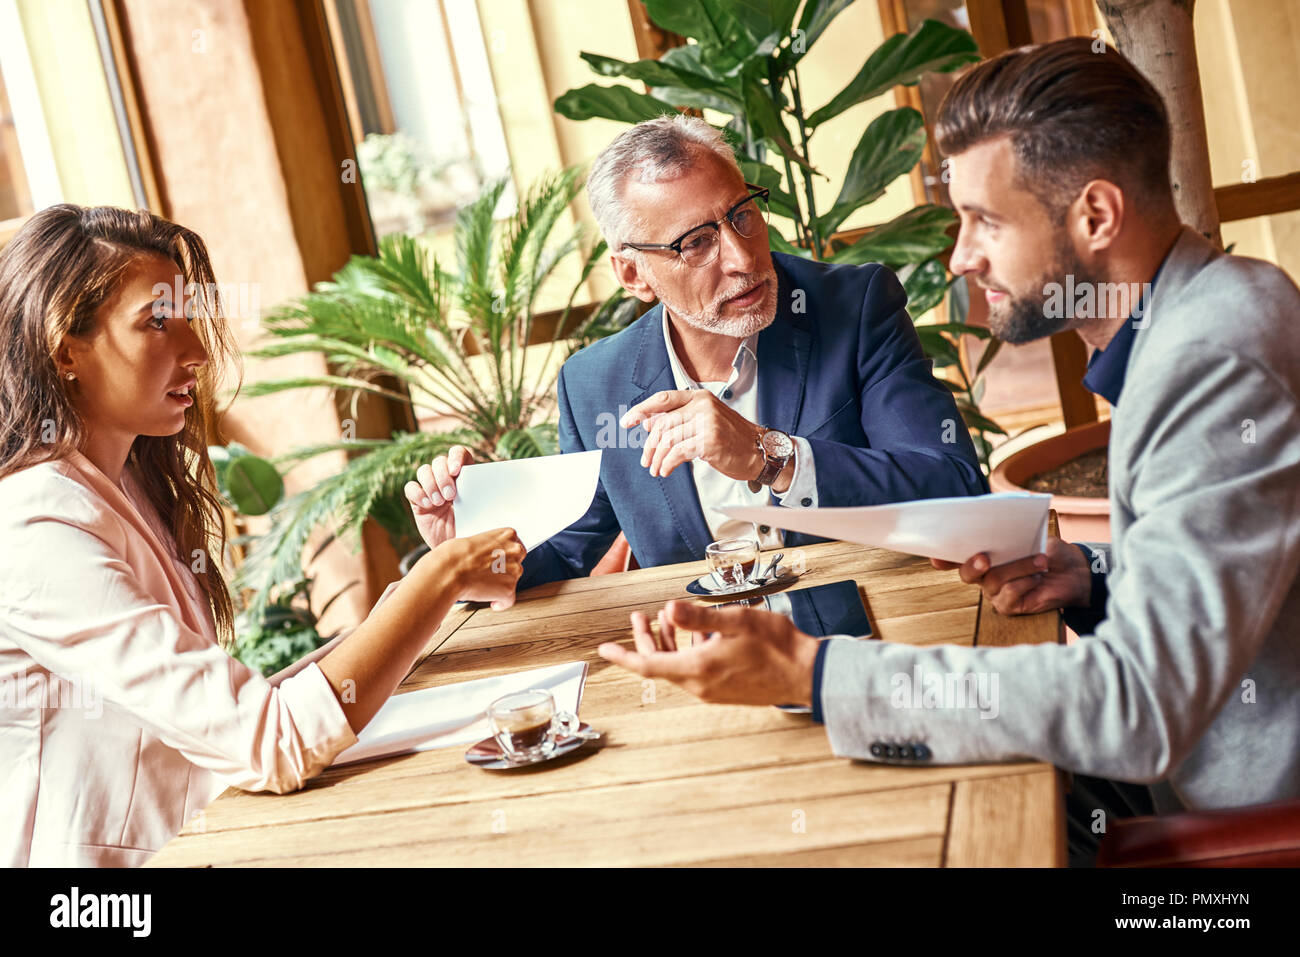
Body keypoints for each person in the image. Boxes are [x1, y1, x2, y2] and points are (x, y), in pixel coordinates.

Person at [596, 37, 1300, 866]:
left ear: (1097, 216)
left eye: (985, 220)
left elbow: (1136, 705)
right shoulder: (1206, 316)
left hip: (1230, 839)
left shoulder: (1212, 363)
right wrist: (1097, 573)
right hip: (1172, 788)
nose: (960, 256)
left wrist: (815, 675)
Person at [0, 205, 523, 867]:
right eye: (157, 322)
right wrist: (437, 577)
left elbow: (252, 711)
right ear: (64, 348)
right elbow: (272, 739)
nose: (195, 352)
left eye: (188, 316)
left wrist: (436, 577)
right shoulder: (36, 524)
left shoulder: (123, 486)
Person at [406, 114, 986, 589]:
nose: (741, 257)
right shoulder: (594, 384)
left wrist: (769, 456)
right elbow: (569, 561)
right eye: (697, 242)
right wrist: (467, 548)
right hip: (706, 678)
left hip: (867, 649)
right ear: (633, 273)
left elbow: (956, 490)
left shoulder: (852, 309)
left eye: (741, 216)